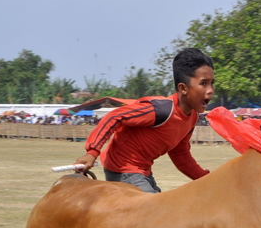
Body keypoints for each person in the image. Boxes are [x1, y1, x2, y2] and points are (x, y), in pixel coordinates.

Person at [73, 48, 214, 193]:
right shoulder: (160, 110)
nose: (210, 90)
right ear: (183, 88)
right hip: (123, 169)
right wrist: (92, 152)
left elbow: (180, 153)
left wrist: (204, 178)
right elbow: (115, 117)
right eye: (204, 83)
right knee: (155, 212)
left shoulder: (192, 117)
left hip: (143, 171)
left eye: (212, 83)